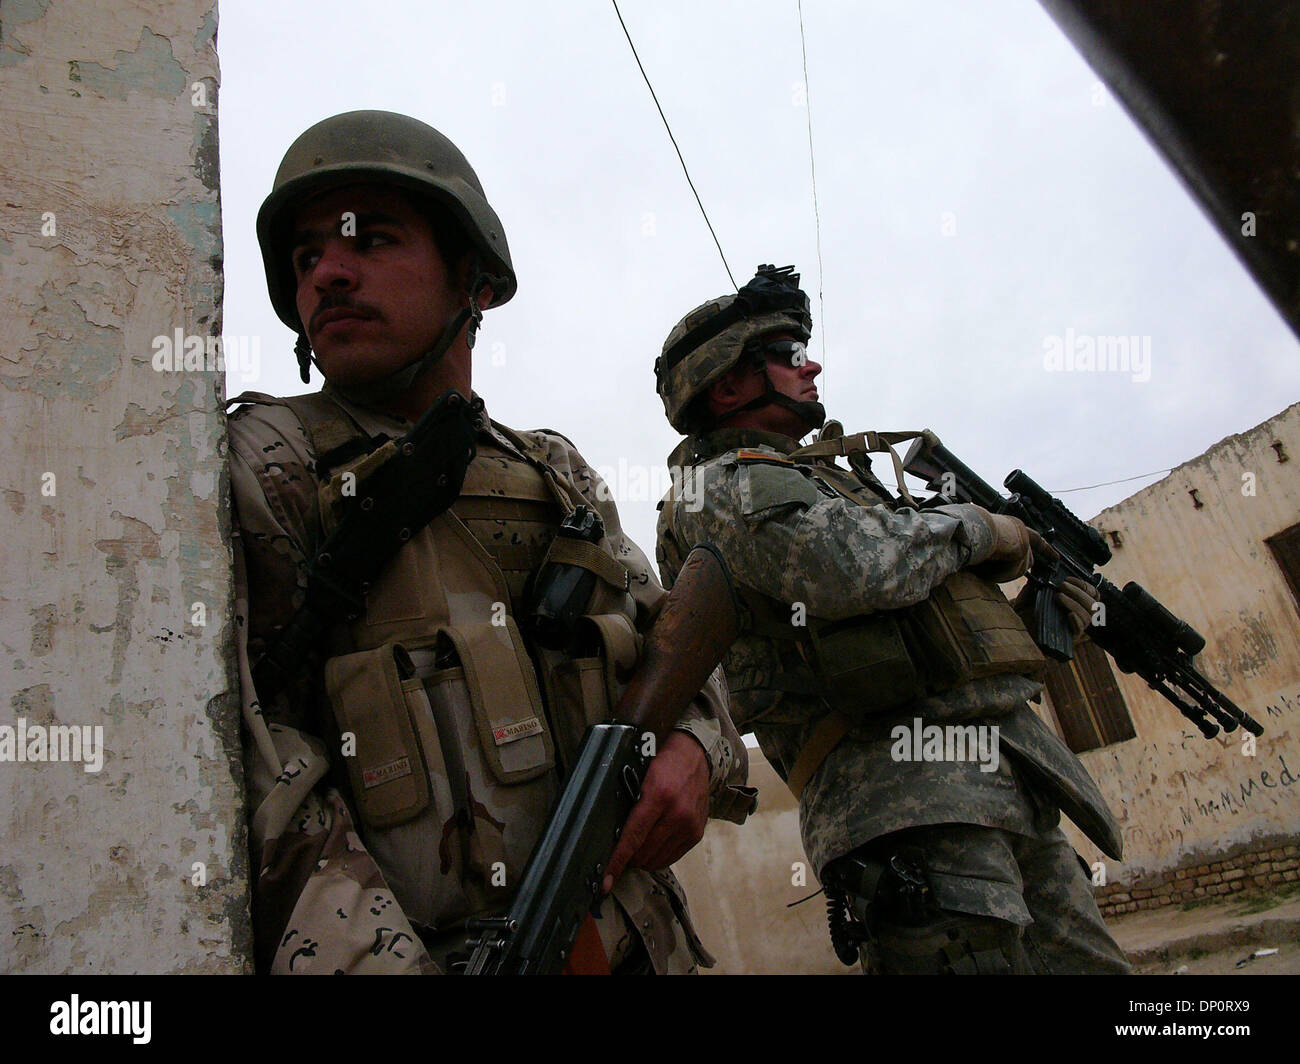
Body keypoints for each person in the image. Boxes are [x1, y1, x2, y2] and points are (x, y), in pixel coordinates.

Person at [228, 110, 754, 974]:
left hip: (637, 944)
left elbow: (681, 652)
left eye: (369, 239)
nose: (326, 272)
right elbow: (259, 766)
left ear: (473, 279)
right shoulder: (268, 465)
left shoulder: (553, 470)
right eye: (305, 256)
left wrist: (698, 746)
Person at [654, 264, 1130, 974]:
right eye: (787, 355)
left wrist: (1033, 624)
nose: (810, 364)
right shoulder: (717, 486)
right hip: (906, 806)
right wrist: (982, 529)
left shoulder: (832, 477)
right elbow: (846, 567)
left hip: (1001, 783)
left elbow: (927, 638)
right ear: (727, 385)